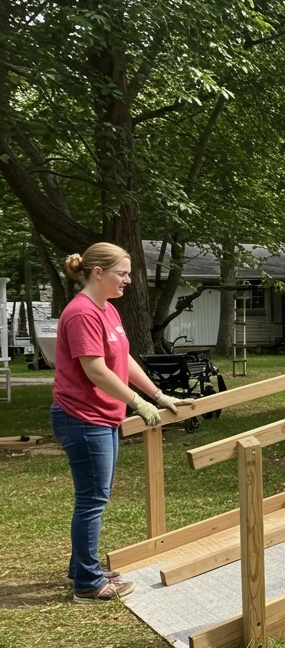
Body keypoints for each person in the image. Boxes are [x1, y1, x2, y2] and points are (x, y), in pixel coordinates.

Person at [51, 243, 182, 602]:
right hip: (81, 417)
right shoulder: (81, 314)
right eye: (122, 274)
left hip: (101, 417)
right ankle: (87, 583)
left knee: (95, 497)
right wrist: (136, 402)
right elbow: (95, 370)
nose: (128, 281)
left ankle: (83, 568)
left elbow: (123, 359)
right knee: (92, 499)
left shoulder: (107, 310)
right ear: (98, 273)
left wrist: (157, 395)